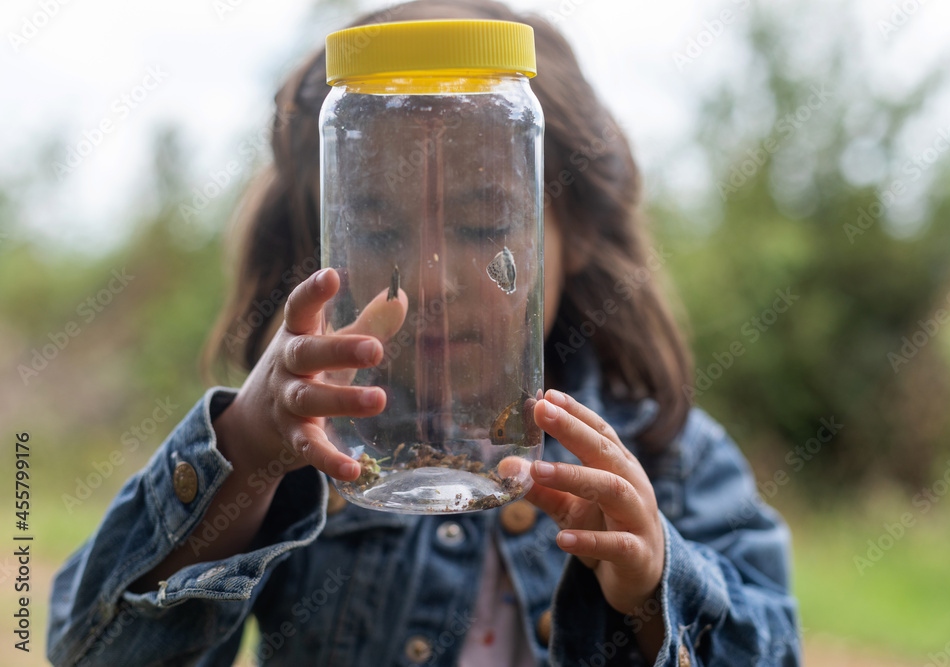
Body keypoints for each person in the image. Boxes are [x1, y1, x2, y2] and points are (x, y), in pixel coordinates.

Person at [47, 1, 801, 665]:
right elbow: (90, 647)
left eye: (482, 223)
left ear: (577, 231)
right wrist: (244, 452)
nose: (432, 279)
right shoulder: (305, 458)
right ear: (325, 237)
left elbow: (775, 645)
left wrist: (650, 587)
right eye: (376, 227)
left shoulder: (675, 459)